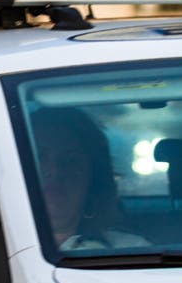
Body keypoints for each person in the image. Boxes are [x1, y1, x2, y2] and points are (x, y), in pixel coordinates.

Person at [30, 106, 148, 250]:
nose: (55, 171)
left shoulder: (130, 249)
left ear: (94, 182)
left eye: (71, 161)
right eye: (40, 157)